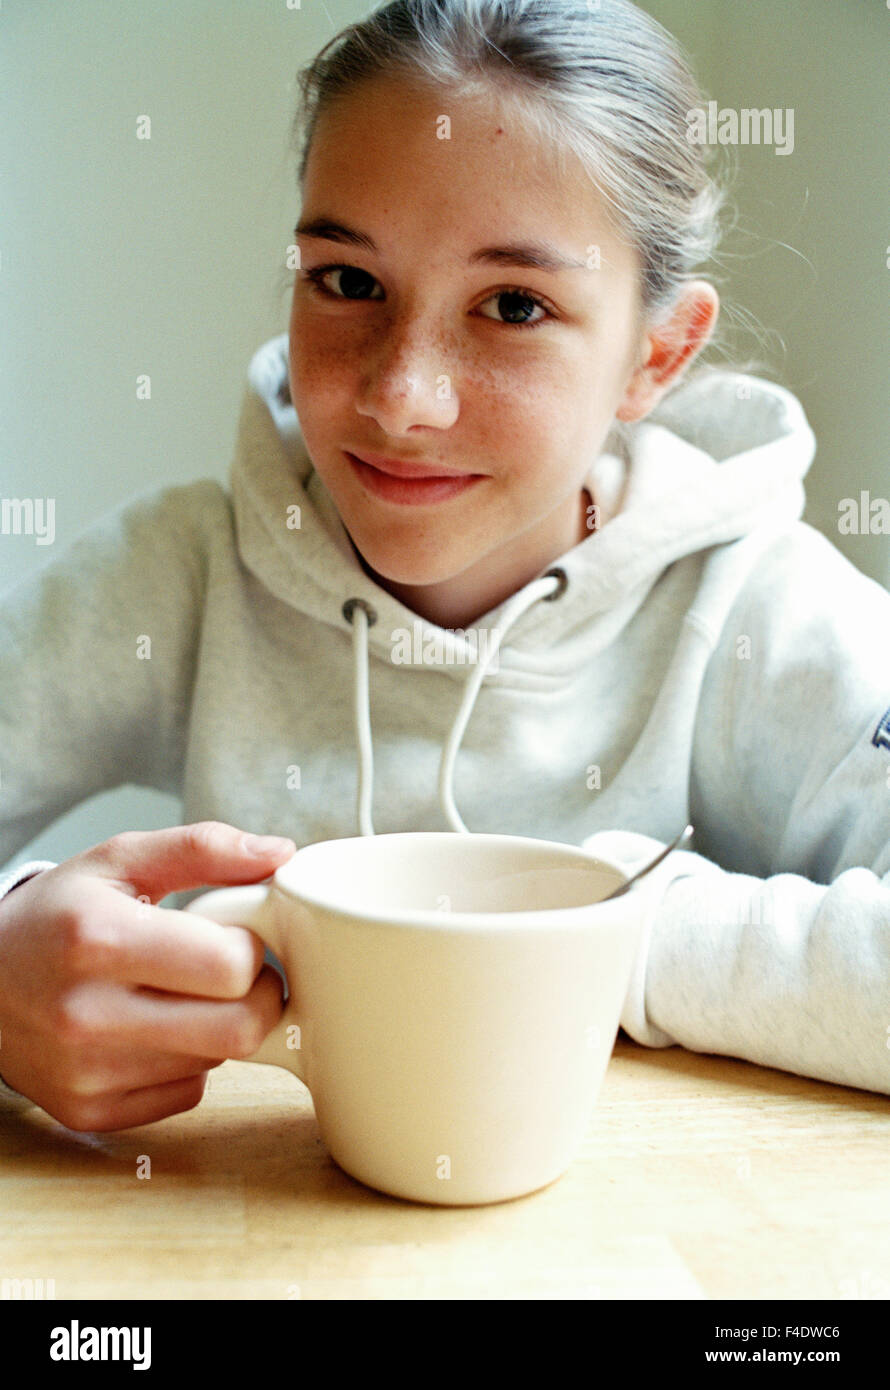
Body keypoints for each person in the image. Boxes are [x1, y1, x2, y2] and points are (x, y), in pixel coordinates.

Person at [1, 0, 888, 1132]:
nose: (401, 398)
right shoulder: (179, 572)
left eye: (513, 305)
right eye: (347, 281)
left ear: (655, 355)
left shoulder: (759, 607)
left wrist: (610, 929)